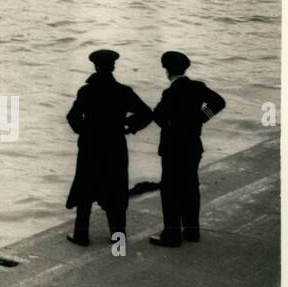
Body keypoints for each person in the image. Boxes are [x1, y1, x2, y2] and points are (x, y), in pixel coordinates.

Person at [65, 49, 153, 246]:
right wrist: (128, 127)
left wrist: (84, 131)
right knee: (116, 192)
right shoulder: (123, 91)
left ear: (95, 67)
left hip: (90, 146)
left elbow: (72, 117)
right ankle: (118, 241)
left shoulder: (86, 91)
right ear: (113, 67)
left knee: (85, 190)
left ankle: (81, 236)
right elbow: (146, 113)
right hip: (115, 146)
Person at [149, 51, 226, 247]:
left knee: (170, 190)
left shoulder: (170, 93)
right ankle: (192, 232)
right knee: (191, 187)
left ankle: (172, 235)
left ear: (167, 71)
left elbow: (157, 116)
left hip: (173, 147)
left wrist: (169, 126)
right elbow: (219, 102)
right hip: (193, 145)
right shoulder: (197, 87)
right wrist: (201, 118)